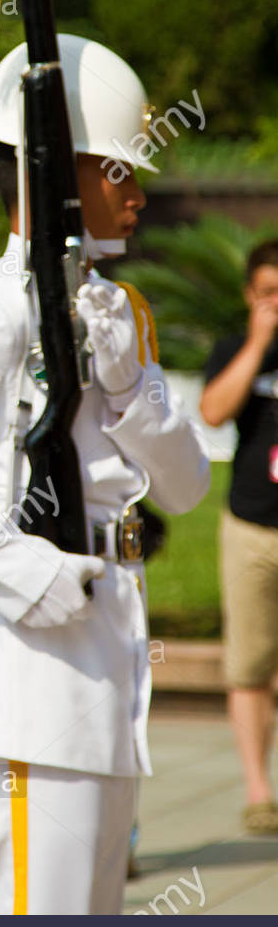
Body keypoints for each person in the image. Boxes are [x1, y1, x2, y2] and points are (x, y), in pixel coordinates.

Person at [0, 35, 210, 915]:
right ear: (57, 174)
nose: (140, 194)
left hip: (106, 681)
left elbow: (183, 488)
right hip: (22, 686)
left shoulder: (122, 316)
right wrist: (9, 558)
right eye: (119, 172)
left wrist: (130, 389)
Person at [200, 240, 278, 835]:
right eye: (267, 293)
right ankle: (258, 790)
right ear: (249, 296)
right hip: (250, 527)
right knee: (249, 664)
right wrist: (257, 344)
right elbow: (212, 412)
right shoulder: (233, 351)